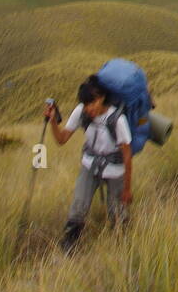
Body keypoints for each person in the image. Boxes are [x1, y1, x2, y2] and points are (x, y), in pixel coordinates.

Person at [45, 73, 132, 251]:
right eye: (85, 104)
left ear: (102, 98)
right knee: (78, 205)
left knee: (117, 213)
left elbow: (127, 156)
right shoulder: (81, 112)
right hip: (90, 165)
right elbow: (61, 140)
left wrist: (127, 189)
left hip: (115, 169)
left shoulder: (118, 120)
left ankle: (120, 246)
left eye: (92, 103)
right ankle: (70, 244)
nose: (88, 109)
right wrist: (53, 121)